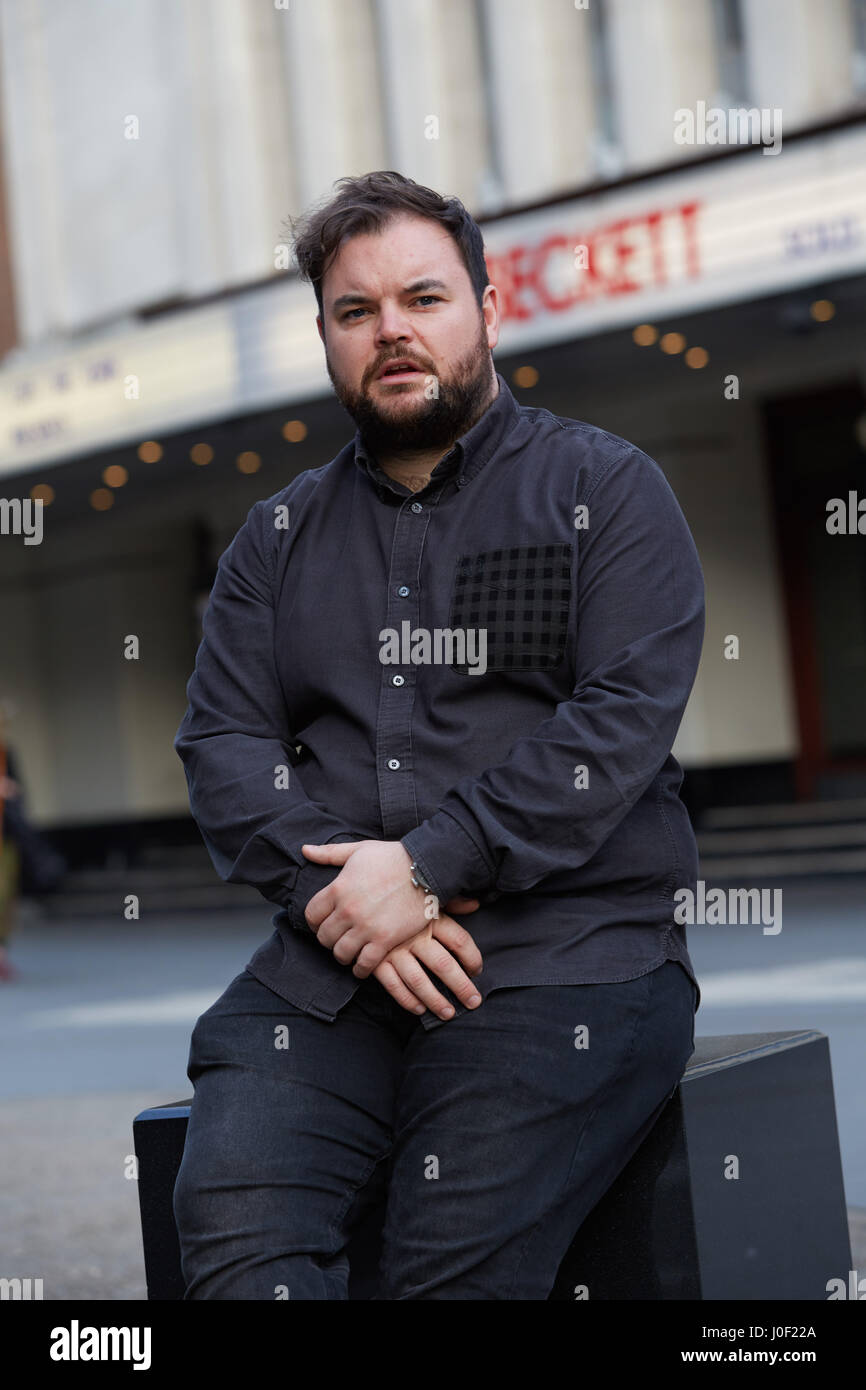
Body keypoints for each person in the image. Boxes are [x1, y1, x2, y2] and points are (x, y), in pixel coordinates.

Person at [171, 170, 705, 1300]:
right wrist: (350, 901)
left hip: (566, 963)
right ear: (324, 337)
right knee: (233, 1231)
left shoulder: (602, 490)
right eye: (354, 312)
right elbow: (221, 747)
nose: (391, 331)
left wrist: (423, 869)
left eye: (422, 297)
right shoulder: (272, 541)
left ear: (488, 307)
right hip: (330, 972)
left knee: (444, 1269)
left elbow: (612, 725)